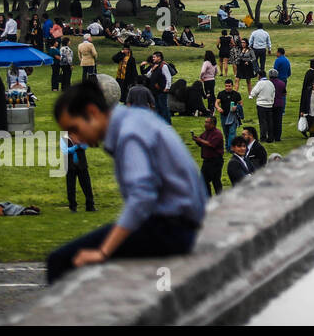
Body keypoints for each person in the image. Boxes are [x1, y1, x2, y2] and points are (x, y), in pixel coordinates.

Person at [47, 81, 206, 284]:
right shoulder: (135, 118)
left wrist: (103, 252)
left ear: (92, 112)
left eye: (74, 128)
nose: (76, 138)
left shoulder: (128, 134)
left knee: (59, 261)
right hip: (182, 223)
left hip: (170, 230)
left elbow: (142, 197)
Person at [191, 117, 225, 196]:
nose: (205, 124)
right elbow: (201, 143)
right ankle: (208, 198)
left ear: (213, 124)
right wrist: (197, 140)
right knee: (203, 181)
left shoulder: (217, 133)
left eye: (207, 122)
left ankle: (220, 198)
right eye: (205, 122)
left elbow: (211, 144)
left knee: (216, 181)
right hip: (207, 161)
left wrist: (200, 140)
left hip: (215, 161)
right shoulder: (205, 133)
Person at [250, 69, 276, 144]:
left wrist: (252, 96)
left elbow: (253, 93)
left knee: (263, 121)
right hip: (270, 105)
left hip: (261, 104)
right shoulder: (270, 83)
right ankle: (271, 137)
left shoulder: (260, 83)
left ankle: (263, 137)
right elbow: (273, 93)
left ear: (259, 75)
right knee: (270, 122)